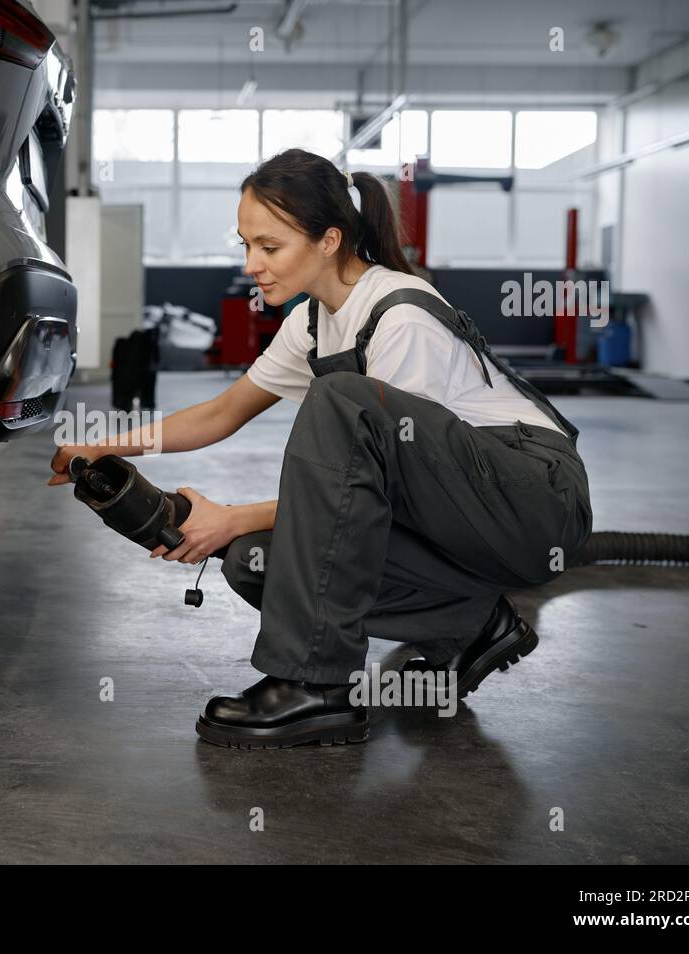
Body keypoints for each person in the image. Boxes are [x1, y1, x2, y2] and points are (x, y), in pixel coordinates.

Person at [49, 148, 593, 750]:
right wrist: (104, 446)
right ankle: (471, 625)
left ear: (329, 239)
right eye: (246, 245)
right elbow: (221, 412)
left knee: (341, 403)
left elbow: (371, 493)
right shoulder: (313, 320)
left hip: (531, 498)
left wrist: (227, 518)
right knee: (256, 559)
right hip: (463, 512)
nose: (253, 263)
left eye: (270, 247)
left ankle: (317, 688)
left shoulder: (400, 316)